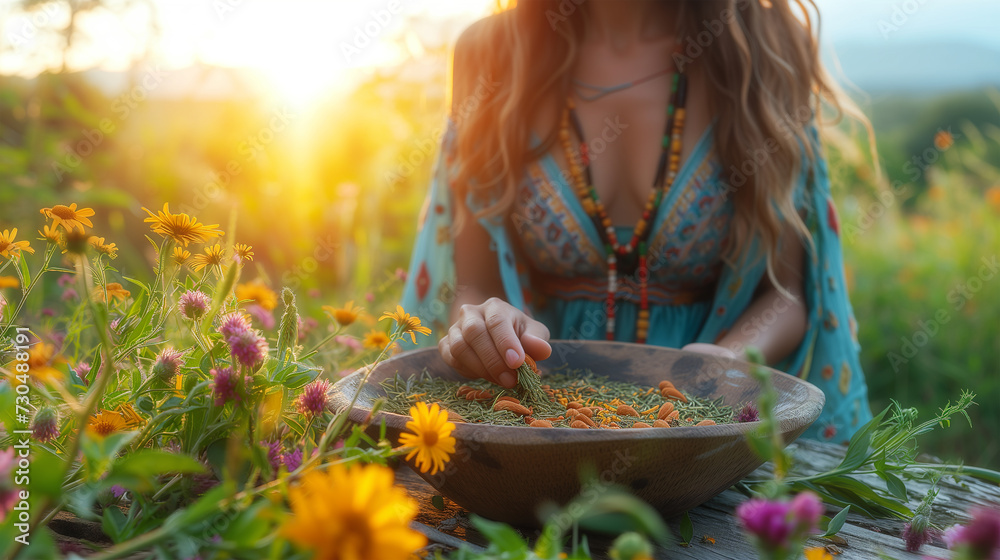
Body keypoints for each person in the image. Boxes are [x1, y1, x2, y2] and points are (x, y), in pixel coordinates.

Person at [400, 0, 872, 443]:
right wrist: (488, 325)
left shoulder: (761, 43)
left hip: (702, 427)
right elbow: (472, 283)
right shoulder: (493, 52)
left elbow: (786, 292)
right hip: (537, 423)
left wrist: (730, 360)